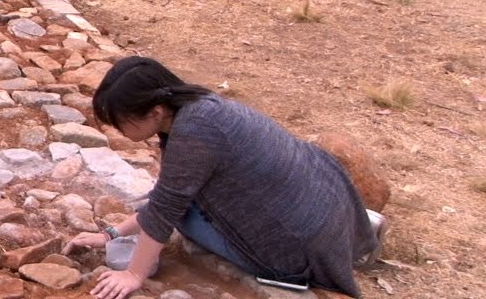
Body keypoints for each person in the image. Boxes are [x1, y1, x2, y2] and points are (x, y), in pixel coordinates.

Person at [61, 56, 381, 299]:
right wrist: (112, 234)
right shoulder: (204, 105)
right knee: (186, 198)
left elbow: (165, 209)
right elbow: (167, 197)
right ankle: (353, 231)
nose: (117, 130)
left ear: (155, 112)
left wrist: (133, 274)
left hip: (296, 251)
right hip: (330, 205)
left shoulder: (193, 135)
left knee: (186, 217)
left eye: (119, 122)